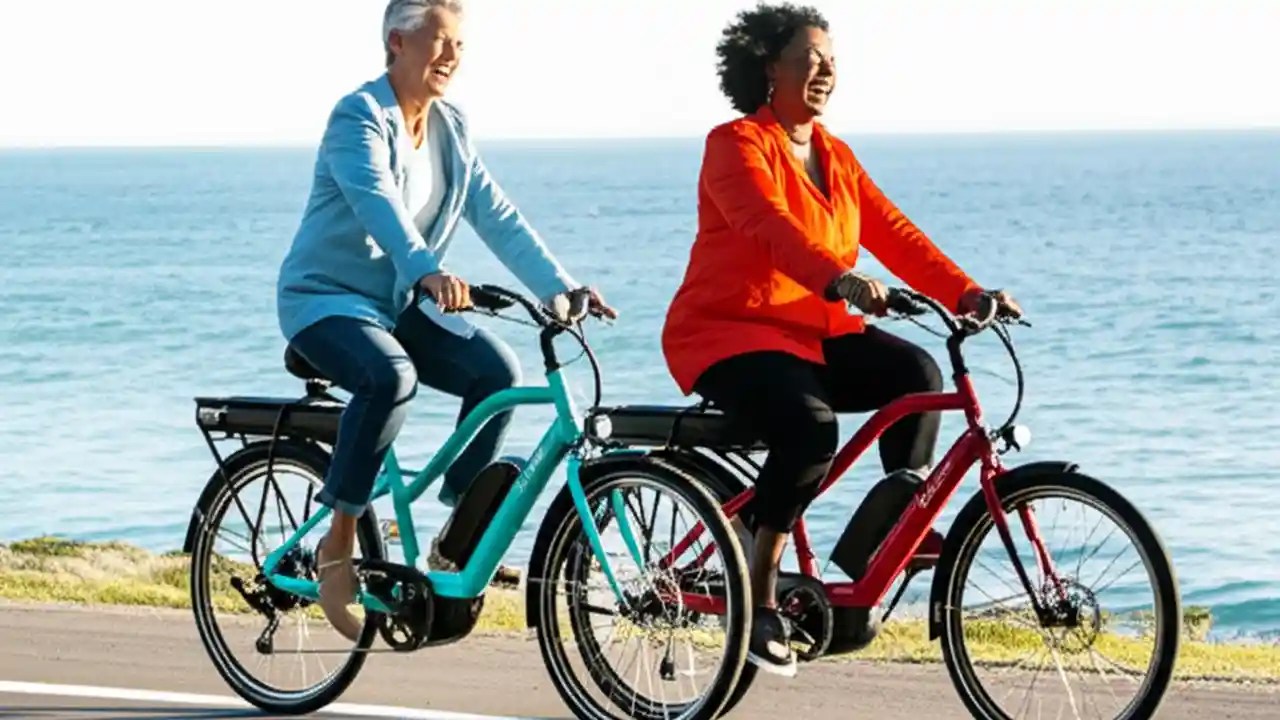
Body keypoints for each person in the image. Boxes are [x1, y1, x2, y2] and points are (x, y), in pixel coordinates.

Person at [660, 3, 1022, 676]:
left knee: (916, 375)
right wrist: (842, 279)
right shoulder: (735, 144)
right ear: (770, 67)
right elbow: (767, 226)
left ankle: (891, 531)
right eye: (810, 59)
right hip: (729, 332)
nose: (824, 70)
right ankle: (760, 600)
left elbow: (897, 234)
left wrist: (968, 293)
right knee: (807, 427)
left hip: (815, 332)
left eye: (831, 61)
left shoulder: (835, 154)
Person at [276, 0, 616, 641]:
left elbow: (498, 215)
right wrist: (428, 269)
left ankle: (458, 531)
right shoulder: (358, 117)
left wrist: (561, 287)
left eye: (460, 44)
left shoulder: (451, 128)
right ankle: (338, 541)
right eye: (440, 41)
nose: (453, 56)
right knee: (389, 376)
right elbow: (377, 201)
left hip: (399, 303)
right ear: (398, 44)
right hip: (325, 300)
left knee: (497, 370)